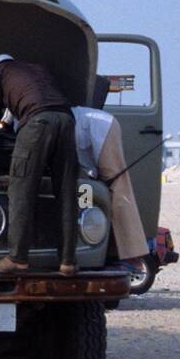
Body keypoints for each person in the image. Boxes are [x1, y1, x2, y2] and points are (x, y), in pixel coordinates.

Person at [0, 54, 79, 275]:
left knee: (21, 189)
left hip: (37, 122)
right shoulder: (36, 68)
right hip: (66, 120)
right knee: (66, 191)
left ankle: (17, 258)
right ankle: (68, 261)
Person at [72, 105, 149, 271]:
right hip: (88, 133)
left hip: (101, 128)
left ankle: (132, 254)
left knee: (117, 187)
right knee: (88, 190)